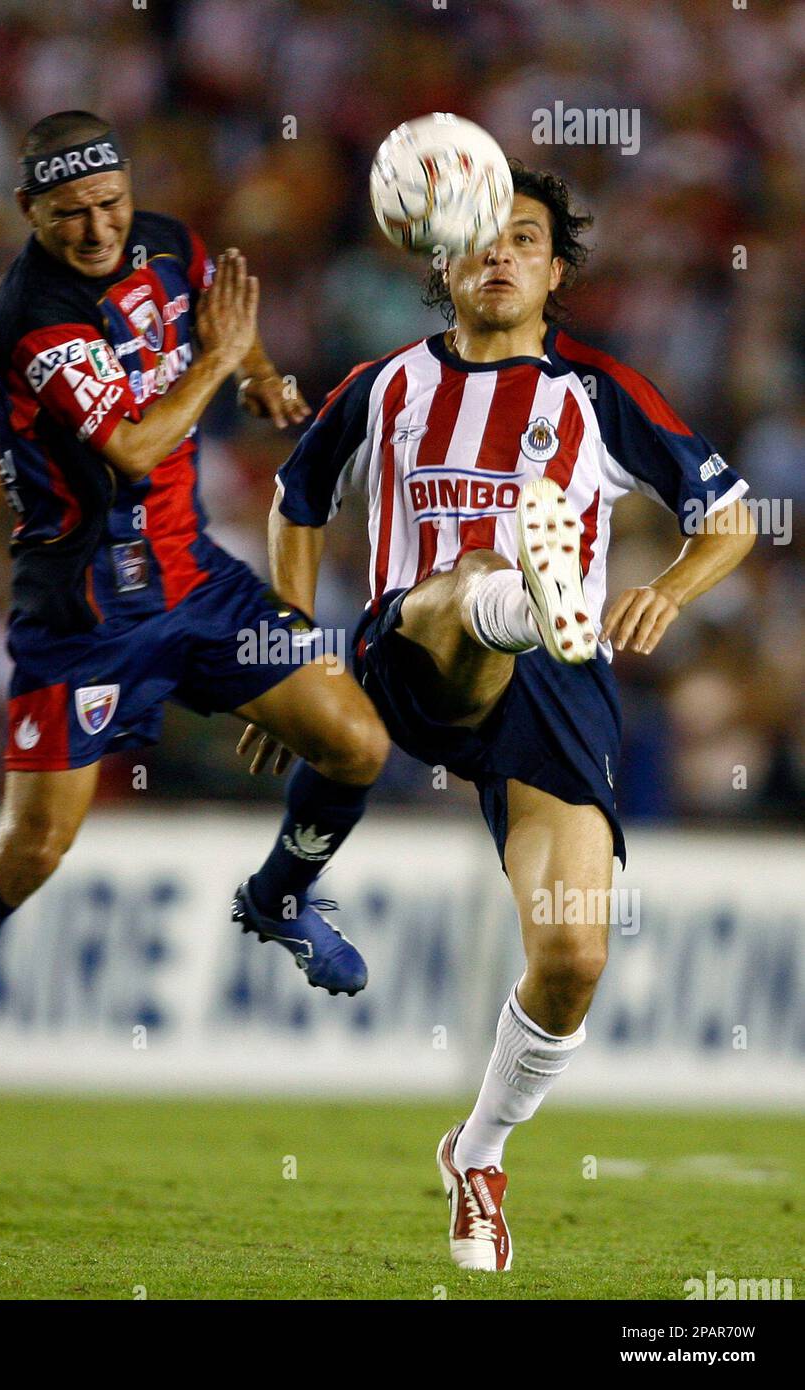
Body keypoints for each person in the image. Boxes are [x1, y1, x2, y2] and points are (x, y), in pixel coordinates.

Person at [0, 110, 389, 1157]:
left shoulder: (167, 241)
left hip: (194, 582)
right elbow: (133, 444)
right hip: (83, 612)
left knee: (355, 739)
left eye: (109, 204)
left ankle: (276, 898)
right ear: (27, 213)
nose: (96, 229)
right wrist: (226, 363)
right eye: (70, 213)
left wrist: (256, 366)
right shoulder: (33, 315)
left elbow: (215, 322)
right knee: (33, 847)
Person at [237, 161, 756, 1271]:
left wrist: (665, 587)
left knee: (570, 952)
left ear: (553, 269)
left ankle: (476, 1153)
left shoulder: (598, 392)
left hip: (555, 690)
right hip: (404, 642)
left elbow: (729, 518)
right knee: (464, 583)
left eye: (524, 237)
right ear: (442, 264)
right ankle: (519, 591)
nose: (498, 253)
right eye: (477, 236)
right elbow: (295, 502)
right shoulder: (382, 386)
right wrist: (286, 643)